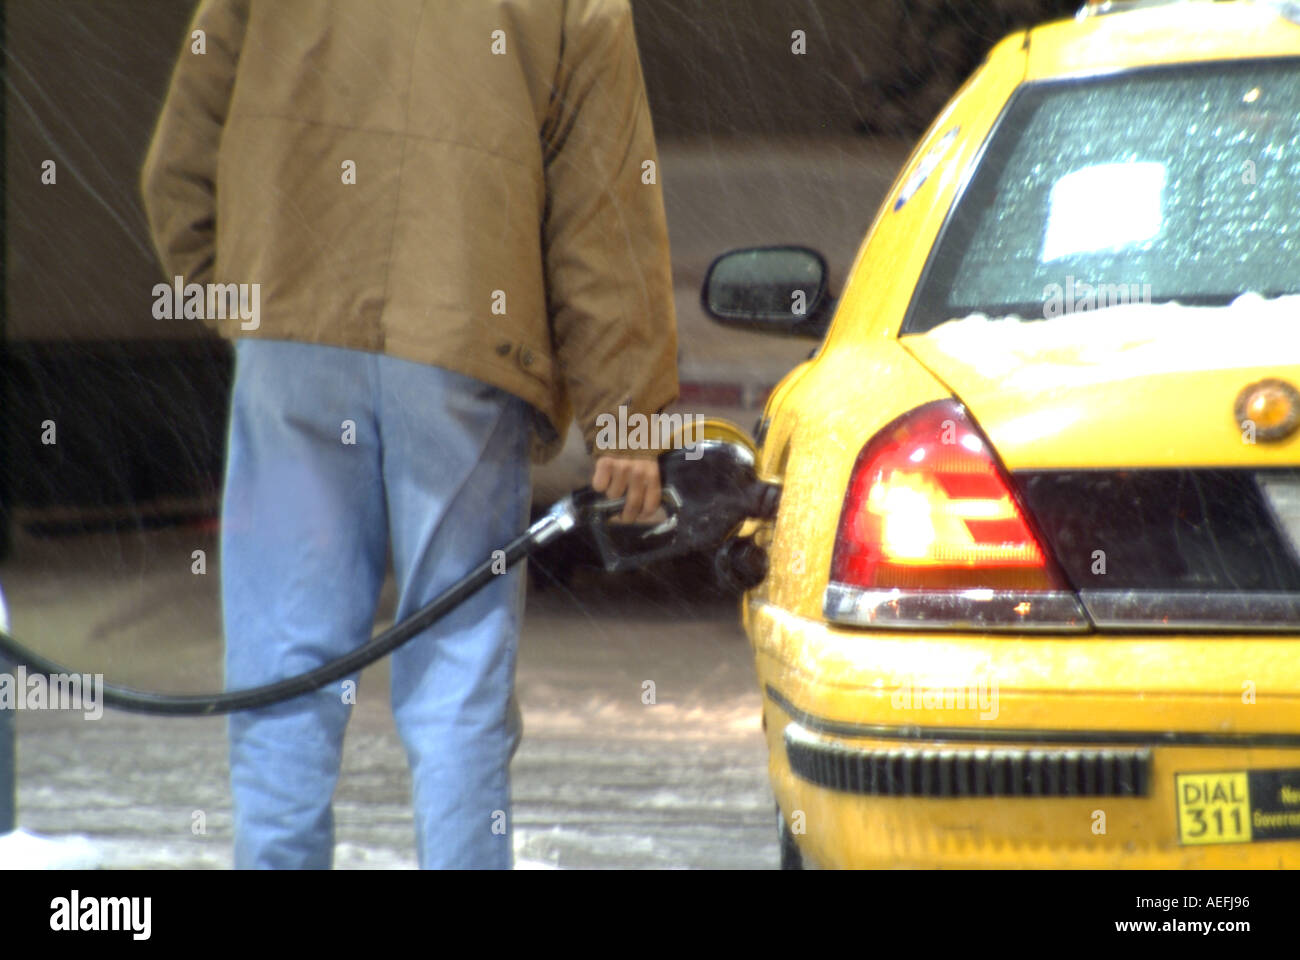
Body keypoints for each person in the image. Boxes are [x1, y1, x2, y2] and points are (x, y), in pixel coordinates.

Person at [141, 0, 678, 869]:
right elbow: (603, 204)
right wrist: (626, 413)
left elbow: (185, 149)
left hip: (292, 333)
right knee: (457, 672)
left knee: (283, 659)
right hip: (463, 340)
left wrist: (231, 286)